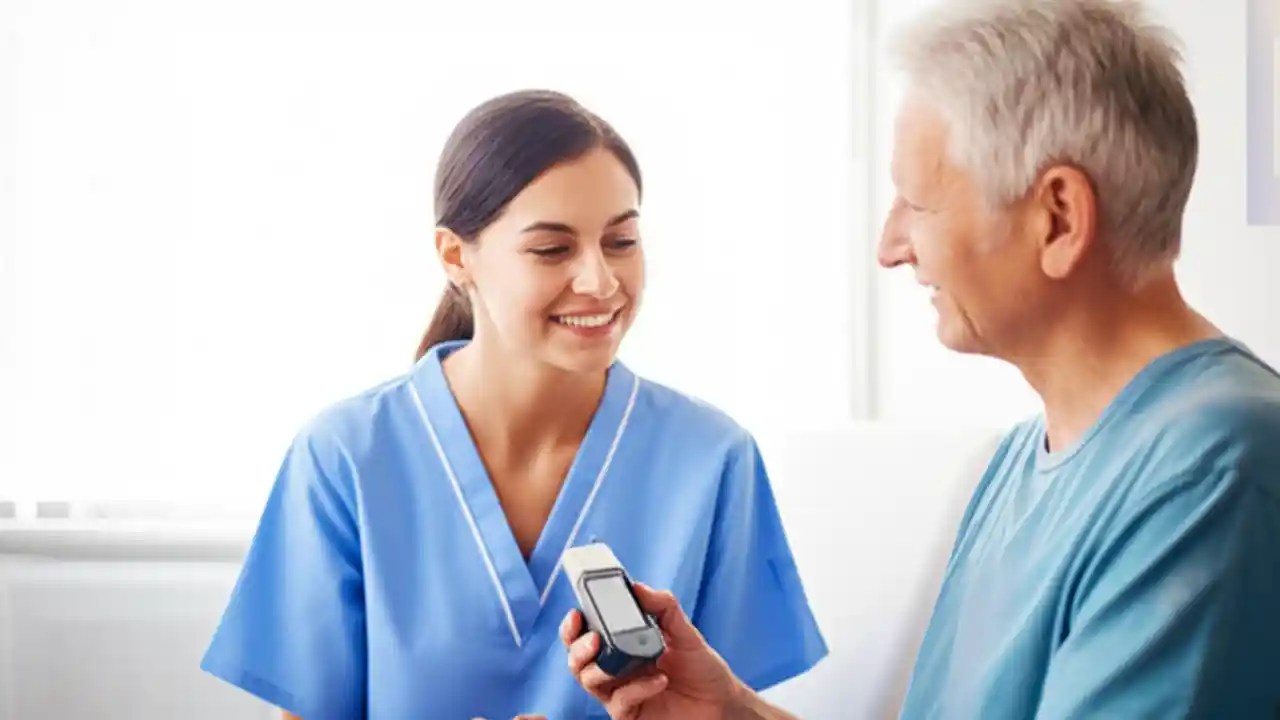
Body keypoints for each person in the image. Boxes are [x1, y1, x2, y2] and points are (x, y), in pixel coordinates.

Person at [561, 1, 1280, 718]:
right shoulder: (1020, 460)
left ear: (1058, 217)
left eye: (917, 202)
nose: (891, 245)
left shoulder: (1212, 473)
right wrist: (729, 712)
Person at [199, 89, 827, 719]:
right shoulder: (346, 458)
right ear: (456, 256)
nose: (601, 281)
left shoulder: (711, 458)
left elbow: (721, 706)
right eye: (552, 249)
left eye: (622, 240)